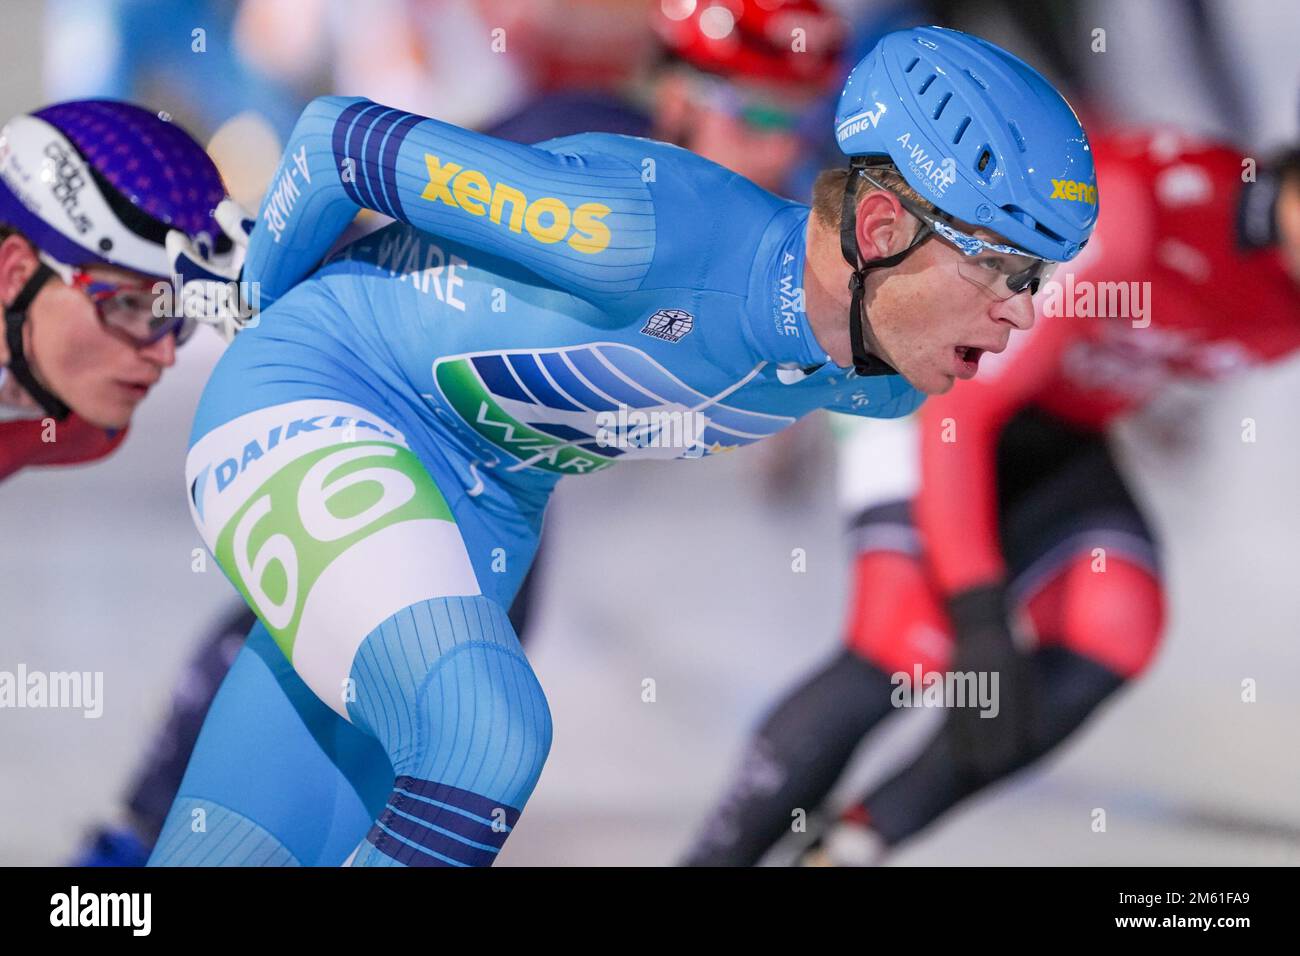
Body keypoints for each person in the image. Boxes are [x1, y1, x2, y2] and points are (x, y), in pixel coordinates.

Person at [146, 25, 1097, 866]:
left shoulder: (879, 380)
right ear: (882, 227)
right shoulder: (637, 228)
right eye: (1003, 265)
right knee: (483, 736)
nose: (1023, 311)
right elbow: (334, 141)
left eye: (1041, 275)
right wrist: (255, 304)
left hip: (485, 504)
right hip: (328, 390)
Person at [682, 128, 1300, 866]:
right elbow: (959, 418)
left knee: (1114, 622)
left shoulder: (1279, 290)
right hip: (933, 392)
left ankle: (851, 846)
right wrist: (979, 611)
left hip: (1047, 427)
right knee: (909, 645)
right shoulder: (1144, 208)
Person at [0, 100, 231, 479]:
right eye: (127, 304)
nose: (166, 354)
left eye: (176, 313)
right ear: (16, 273)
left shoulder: (85, 426)